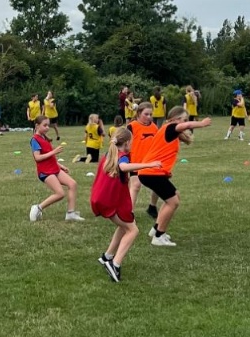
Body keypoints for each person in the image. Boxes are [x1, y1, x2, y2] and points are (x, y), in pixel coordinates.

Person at [92, 127, 164, 282]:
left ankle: (107, 257)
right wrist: (148, 165)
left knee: (125, 225)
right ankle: (115, 264)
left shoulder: (109, 154)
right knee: (133, 230)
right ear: (125, 143)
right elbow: (123, 167)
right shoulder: (122, 156)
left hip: (102, 198)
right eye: (131, 142)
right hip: (109, 200)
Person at [137, 105, 212, 247]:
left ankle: (155, 230)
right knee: (173, 202)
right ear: (175, 119)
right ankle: (159, 236)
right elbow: (188, 125)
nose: (185, 122)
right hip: (151, 173)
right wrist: (201, 124)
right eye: (183, 119)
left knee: (175, 196)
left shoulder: (170, 131)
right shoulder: (170, 127)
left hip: (152, 172)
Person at [28, 116, 84, 222]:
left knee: (72, 184)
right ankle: (37, 207)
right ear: (37, 126)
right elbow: (38, 157)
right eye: (44, 125)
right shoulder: (35, 140)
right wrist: (53, 152)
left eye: (48, 125)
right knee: (60, 193)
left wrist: (60, 166)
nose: (47, 128)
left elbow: (50, 157)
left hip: (54, 169)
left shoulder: (44, 138)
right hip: (45, 172)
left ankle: (70, 213)